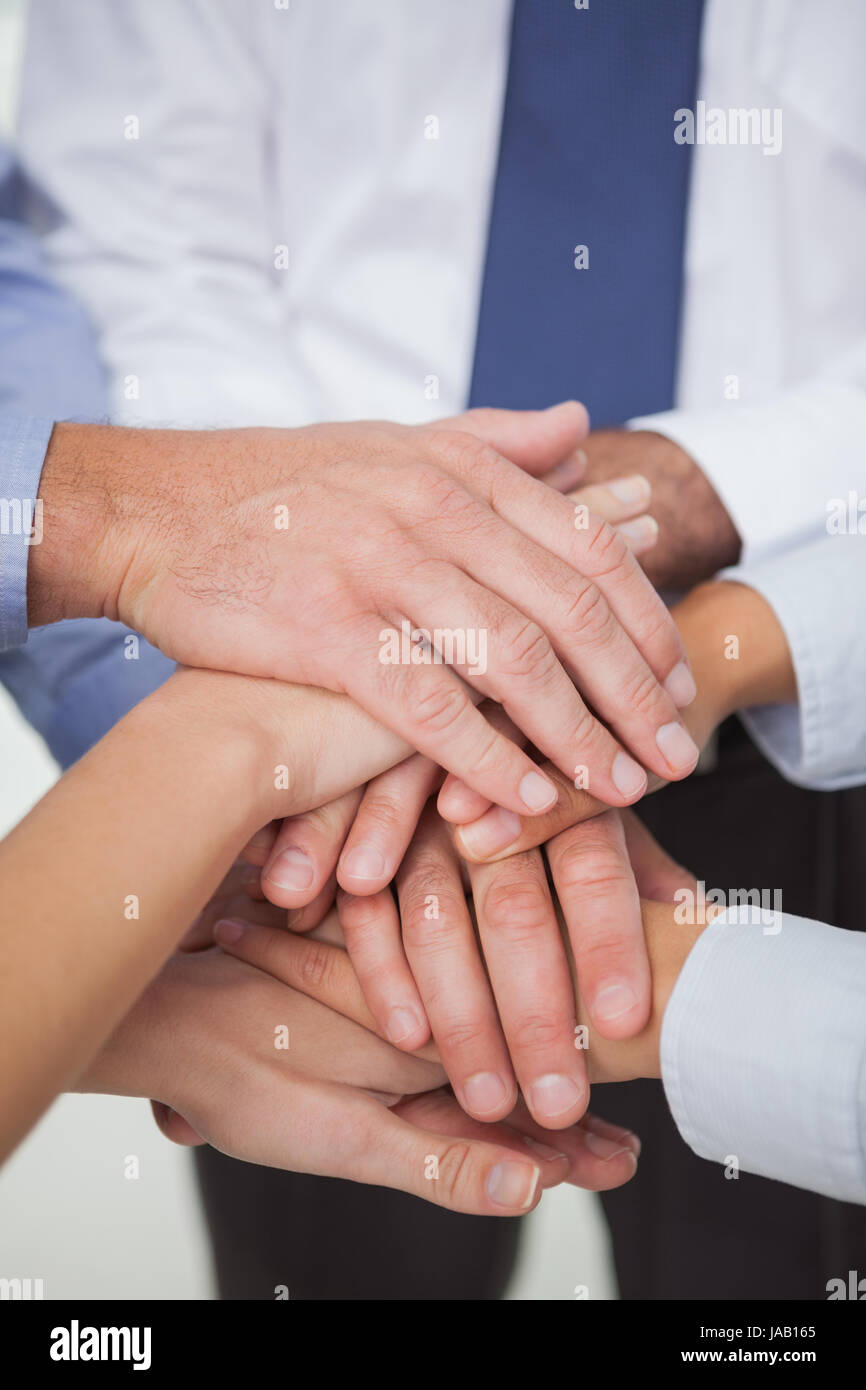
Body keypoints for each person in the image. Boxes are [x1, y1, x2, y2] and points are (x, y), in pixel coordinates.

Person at [15, 0, 866, 1297]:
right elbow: (136, 244)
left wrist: (715, 497)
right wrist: (286, 643)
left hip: (789, 688)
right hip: (297, 807)